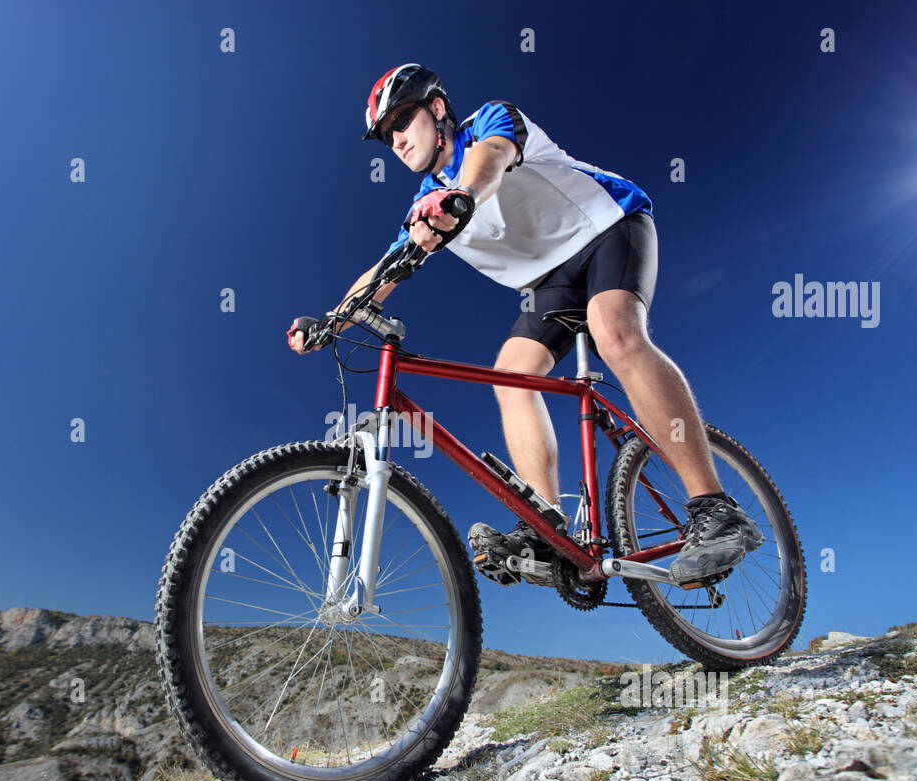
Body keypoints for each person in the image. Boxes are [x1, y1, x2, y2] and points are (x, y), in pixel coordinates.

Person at [288, 63, 763, 588]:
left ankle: (715, 508)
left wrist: (460, 197)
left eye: (403, 120)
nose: (397, 140)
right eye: (386, 135)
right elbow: (383, 272)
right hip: (551, 283)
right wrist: (334, 318)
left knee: (615, 333)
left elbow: (490, 163)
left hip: (608, 226)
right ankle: (547, 524)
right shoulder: (425, 204)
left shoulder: (491, 122)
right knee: (509, 376)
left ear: (438, 109)